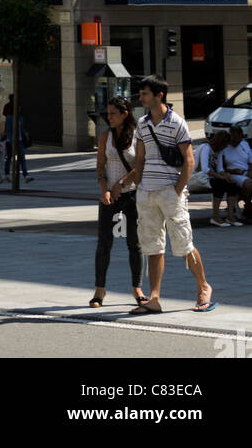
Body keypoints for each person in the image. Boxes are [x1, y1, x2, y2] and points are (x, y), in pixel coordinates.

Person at [130, 75, 215, 314]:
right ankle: (154, 298)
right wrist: (139, 187)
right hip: (147, 192)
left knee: (184, 244)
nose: (141, 97)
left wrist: (176, 191)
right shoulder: (142, 123)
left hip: (170, 191)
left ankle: (203, 287)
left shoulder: (177, 122)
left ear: (159, 95)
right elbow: (140, 158)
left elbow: (189, 161)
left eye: (145, 93)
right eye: (141, 93)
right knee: (153, 247)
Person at [90, 96, 145, 308]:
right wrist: (104, 190)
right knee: (104, 243)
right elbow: (100, 167)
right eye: (108, 113)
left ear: (125, 114)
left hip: (131, 195)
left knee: (135, 243)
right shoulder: (105, 136)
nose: (109, 117)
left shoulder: (137, 136)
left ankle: (137, 288)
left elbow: (140, 165)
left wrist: (121, 183)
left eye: (113, 113)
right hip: (109, 197)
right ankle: (99, 290)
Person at [220, 125, 252, 220]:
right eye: (233, 138)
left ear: (241, 136)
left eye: (237, 138)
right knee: (249, 184)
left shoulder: (244, 144)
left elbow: (250, 161)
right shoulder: (224, 148)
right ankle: (248, 207)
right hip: (232, 174)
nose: (235, 141)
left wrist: (250, 170)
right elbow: (220, 168)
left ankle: (244, 203)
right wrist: (232, 171)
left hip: (246, 172)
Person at [207, 131, 237, 226]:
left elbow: (220, 169)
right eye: (225, 144)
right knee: (220, 183)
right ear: (220, 143)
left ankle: (230, 217)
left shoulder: (219, 152)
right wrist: (221, 177)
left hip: (213, 177)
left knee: (232, 183)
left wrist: (227, 176)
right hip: (200, 177)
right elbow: (205, 169)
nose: (226, 147)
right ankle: (215, 217)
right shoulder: (206, 148)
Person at [3, 96, 34, 183]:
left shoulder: (20, 117)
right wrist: (11, 140)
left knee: (22, 158)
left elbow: (21, 128)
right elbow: (8, 131)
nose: (19, 108)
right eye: (18, 107)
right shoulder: (9, 118)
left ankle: (26, 175)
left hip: (19, 141)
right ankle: (7, 175)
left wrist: (25, 133)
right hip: (11, 142)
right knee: (9, 158)